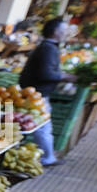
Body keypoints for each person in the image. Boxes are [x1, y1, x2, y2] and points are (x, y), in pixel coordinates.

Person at [18, 17, 75, 165]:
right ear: (56, 32)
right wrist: (65, 76)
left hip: (35, 92)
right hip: (36, 94)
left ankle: (46, 156)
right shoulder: (48, 49)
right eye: (64, 30)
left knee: (40, 126)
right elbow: (46, 74)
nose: (66, 33)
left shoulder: (47, 47)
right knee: (42, 127)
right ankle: (47, 158)